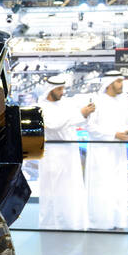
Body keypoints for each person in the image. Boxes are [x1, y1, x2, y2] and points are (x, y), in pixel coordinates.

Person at [36, 75, 92, 231]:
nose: (62, 92)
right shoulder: (41, 107)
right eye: (59, 89)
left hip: (69, 152)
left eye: (62, 89)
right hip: (53, 153)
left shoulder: (66, 104)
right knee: (53, 190)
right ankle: (53, 224)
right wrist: (80, 114)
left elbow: (75, 121)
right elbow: (54, 124)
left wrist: (84, 114)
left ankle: (71, 223)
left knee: (71, 189)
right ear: (51, 90)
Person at [85, 70, 128, 230]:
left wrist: (127, 132)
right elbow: (91, 127)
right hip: (101, 152)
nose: (121, 85)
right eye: (119, 81)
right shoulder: (97, 101)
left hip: (119, 151)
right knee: (101, 187)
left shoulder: (125, 102)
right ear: (109, 83)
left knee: (118, 186)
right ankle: (100, 223)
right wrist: (114, 134)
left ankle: (118, 222)